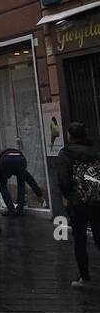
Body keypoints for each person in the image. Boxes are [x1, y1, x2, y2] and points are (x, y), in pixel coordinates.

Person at [56, 121, 100, 287]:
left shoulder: (66, 153)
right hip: (97, 199)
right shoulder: (94, 151)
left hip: (77, 202)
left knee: (80, 240)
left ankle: (84, 276)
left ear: (70, 135)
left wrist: (68, 196)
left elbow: (63, 180)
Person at [0, 145, 45, 216]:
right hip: (21, 159)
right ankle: (20, 209)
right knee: (21, 185)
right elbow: (30, 180)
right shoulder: (18, 159)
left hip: (6, 160)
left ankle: (11, 210)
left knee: (2, 185)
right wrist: (39, 194)